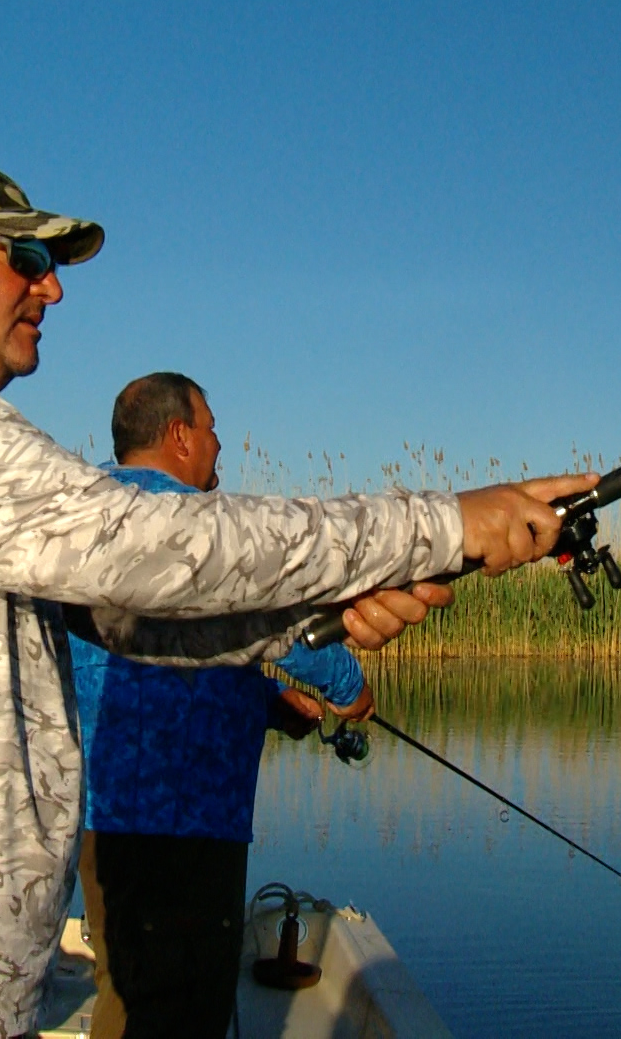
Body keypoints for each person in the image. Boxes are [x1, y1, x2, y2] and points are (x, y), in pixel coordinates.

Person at [0, 154, 595, 1039]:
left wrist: (302, 618)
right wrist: (441, 525)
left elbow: (124, 616)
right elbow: (149, 547)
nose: (50, 289)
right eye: (21, 258)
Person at [70, 373, 372, 1038]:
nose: (219, 443)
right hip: (189, 825)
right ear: (179, 436)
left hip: (97, 818)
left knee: (122, 987)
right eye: (209, 427)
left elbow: (159, 651)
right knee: (187, 1007)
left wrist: (265, 702)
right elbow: (281, 623)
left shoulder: (77, 517)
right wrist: (349, 691)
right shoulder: (202, 526)